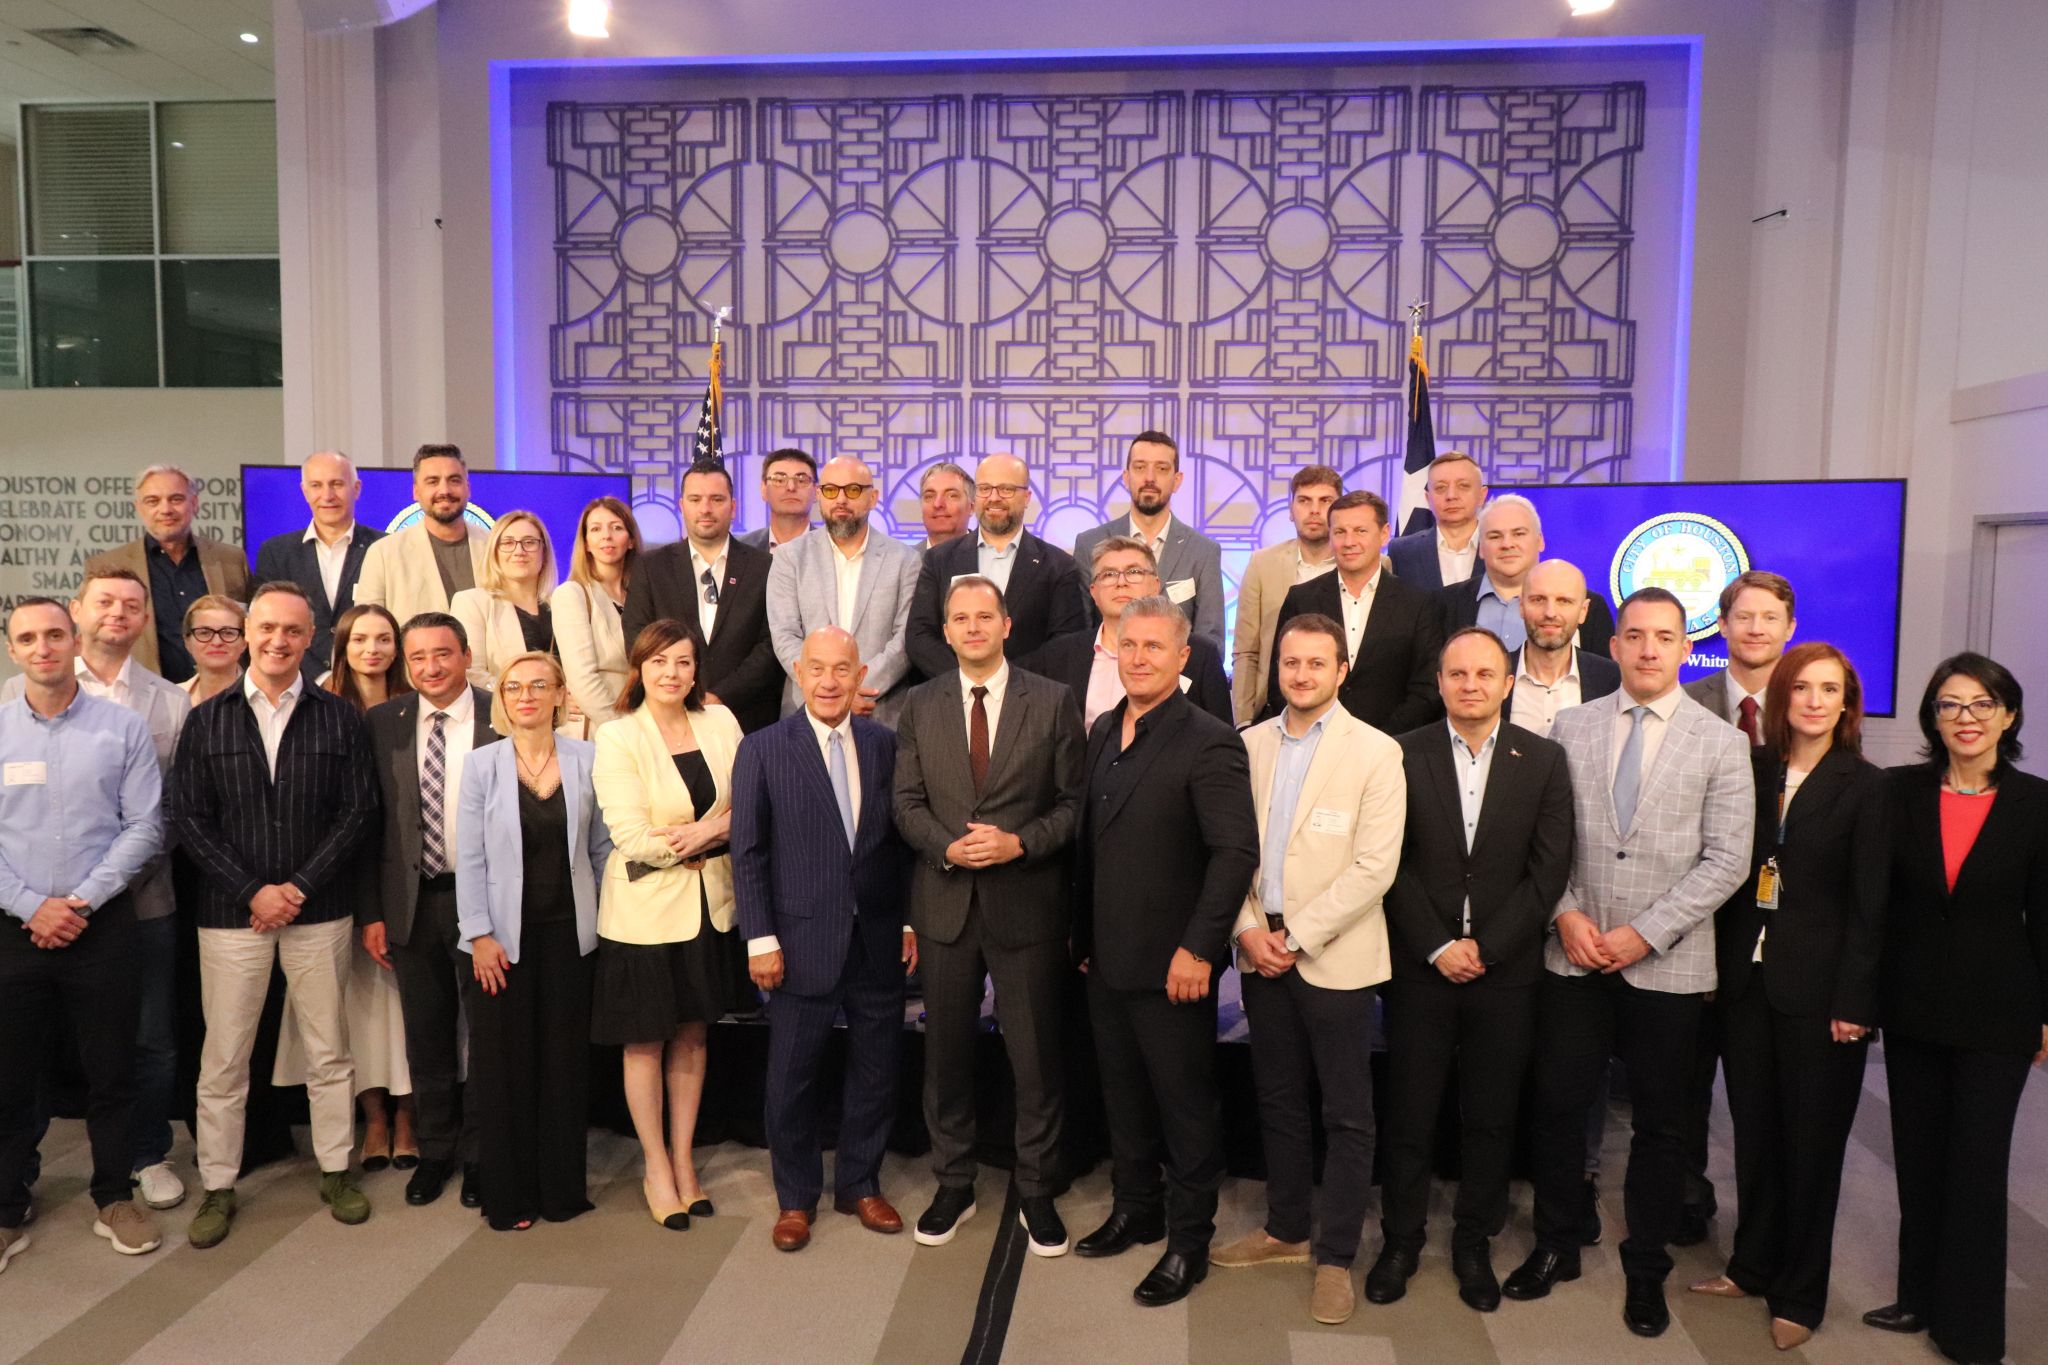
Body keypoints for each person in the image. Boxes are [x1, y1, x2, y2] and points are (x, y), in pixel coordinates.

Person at [1502, 587, 1752, 1339]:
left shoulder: (1721, 742)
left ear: (1685, 648)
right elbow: (1545, 838)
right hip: (1574, 953)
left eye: (1664, 637)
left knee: (1662, 1127)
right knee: (1557, 1107)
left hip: (1666, 966)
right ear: (1612, 646)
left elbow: (1728, 860)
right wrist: (1565, 911)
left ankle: (1646, 1265)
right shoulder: (1570, 726)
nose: (1648, 649)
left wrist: (1646, 933)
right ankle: (1555, 1243)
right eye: (1635, 635)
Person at [1684, 643, 1884, 1352]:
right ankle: (1752, 1266)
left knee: (1812, 1147)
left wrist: (1857, 1002)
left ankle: (1800, 1294)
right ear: (1782, 696)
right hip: (1747, 983)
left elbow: (1871, 906)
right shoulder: (1751, 767)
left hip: (1823, 994)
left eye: (1830, 689)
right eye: (1802, 687)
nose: (1814, 701)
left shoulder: (1866, 786)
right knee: (1755, 1134)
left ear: (1846, 703)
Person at [169, 581, 380, 1250]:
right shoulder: (207, 719)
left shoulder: (339, 716)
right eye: (266, 628)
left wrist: (298, 887)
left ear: (310, 637)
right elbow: (188, 818)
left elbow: (358, 813)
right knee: (224, 1058)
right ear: (246, 635)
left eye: (292, 630)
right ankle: (218, 1182)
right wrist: (253, 891)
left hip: (320, 911)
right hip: (230, 915)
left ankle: (336, 1170)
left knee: (329, 1050)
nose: (278, 640)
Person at [1371, 627, 1574, 1313]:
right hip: (1420, 967)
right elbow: (1388, 860)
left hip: (1504, 972)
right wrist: (1437, 944)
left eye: (1485, 673)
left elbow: (1548, 871)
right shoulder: (1402, 753)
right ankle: (1400, 1241)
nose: (1471, 685)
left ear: (1508, 683)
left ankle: (1472, 1243)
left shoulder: (1543, 760)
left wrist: (1486, 947)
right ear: (1439, 682)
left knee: (1490, 1117)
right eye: (1457, 673)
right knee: (1409, 1113)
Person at [1213, 613, 1405, 1327]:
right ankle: (1287, 1229)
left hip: (1334, 954)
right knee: (1279, 1099)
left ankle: (1336, 1258)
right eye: (1290, 662)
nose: (1301, 675)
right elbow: (1227, 848)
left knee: (1347, 1113)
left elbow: (1374, 867)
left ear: (1341, 671)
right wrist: (1247, 929)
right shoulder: (1247, 744)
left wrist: (1294, 936)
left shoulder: (1377, 751)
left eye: (1316, 663)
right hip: (1259, 948)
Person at [1073, 597, 1259, 1307]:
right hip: (1105, 957)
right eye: (1129, 644)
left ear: (1184, 658)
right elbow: (1093, 844)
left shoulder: (1209, 740)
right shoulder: (1102, 730)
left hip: (1174, 966)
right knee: (1122, 1097)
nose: (1139, 657)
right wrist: (1082, 937)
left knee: (1184, 1110)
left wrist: (1198, 950)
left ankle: (1188, 1242)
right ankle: (1136, 1208)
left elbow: (1233, 852)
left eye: (1155, 646)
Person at [1861, 653, 2047, 1365]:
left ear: (2008, 715)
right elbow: (1877, 902)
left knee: (1975, 1167)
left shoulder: (2037, 804)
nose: (1965, 718)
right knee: (1919, 1158)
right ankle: (1917, 1295)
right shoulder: (1899, 792)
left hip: (1999, 1016)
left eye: (1981, 704)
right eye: (1950, 705)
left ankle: (1970, 1329)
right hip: (1914, 1008)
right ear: (1933, 719)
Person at [893, 577, 1087, 1255]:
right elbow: (905, 802)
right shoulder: (919, 703)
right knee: (945, 1057)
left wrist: (1019, 843)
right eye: (960, 618)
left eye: (985, 615)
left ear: (1007, 625)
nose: (972, 627)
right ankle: (954, 1182)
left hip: (1026, 903)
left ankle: (1036, 1188)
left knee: (1035, 1059)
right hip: (945, 904)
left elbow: (1073, 803)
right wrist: (947, 847)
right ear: (945, 632)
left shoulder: (1053, 700)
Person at [1, 571, 193, 1212]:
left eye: (53, 636)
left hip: (124, 911)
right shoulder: (5, 716)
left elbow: (155, 820)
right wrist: (35, 906)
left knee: (131, 1053)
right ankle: (11, 1188)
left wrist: (83, 899)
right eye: (29, 638)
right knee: (18, 1060)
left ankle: (131, 1174)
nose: (44, 647)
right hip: (19, 918)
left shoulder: (146, 713)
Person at [732, 627, 916, 1252]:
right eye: (818, 669)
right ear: (798, 673)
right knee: (791, 1077)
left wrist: (908, 922)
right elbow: (748, 852)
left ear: (861, 675)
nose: (830, 681)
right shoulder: (763, 748)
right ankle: (795, 1197)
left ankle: (860, 1183)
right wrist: (760, 938)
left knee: (876, 1070)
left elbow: (899, 844)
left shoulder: (886, 744)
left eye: (843, 669)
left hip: (878, 938)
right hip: (799, 941)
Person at [591, 617, 753, 1229]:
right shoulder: (617, 736)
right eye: (659, 661)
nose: (671, 672)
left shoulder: (722, 722)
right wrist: (714, 832)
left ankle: (684, 1161)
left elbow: (752, 802)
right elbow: (632, 838)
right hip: (643, 915)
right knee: (645, 1041)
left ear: (696, 670)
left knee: (692, 1036)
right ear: (639, 668)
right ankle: (655, 1167)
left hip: (710, 907)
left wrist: (710, 829)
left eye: (683, 661)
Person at [455, 652, 613, 1231]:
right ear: (502, 699)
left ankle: (561, 1192)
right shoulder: (482, 765)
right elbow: (469, 856)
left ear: (560, 695)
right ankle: (511, 1197)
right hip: (501, 943)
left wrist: (611, 924)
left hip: (571, 938)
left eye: (538, 685)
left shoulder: (588, 759)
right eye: (514, 687)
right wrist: (478, 933)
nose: (525, 696)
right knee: (506, 1070)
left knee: (565, 1067)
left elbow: (600, 850)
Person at [275, 603, 418, 1175]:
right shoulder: (320, 705)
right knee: (354, 1012)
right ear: (341, 645)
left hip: (403, 873)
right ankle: (374, 1118)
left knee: (405, 1010)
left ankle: (408, 1117)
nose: (372, 649)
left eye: (384, 638)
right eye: (360, 639)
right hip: (337, 875)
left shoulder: (416, 702)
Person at [363, 611, 497, 1208]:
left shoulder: (500, 712)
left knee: (487, 1035)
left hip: (485, 906)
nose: (430, 667)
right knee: (428, 1036)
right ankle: (437, 1151)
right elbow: (369, 824)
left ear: (466, 655)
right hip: (411, 904)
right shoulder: (382, 722)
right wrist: (372, 912)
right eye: (417, 657)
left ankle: (483, 1154)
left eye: (442, 653)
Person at [1263, 491, 1443, 732]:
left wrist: (1379, 742)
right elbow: (1280, 679)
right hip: (1312, 739)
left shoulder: (1418, 602)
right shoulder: (1301, 599)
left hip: (1394, 743)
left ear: (1384, 534)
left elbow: (1427, 688)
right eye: (1340, 532)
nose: (1349, 542)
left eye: (1360, 531)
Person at [624, 460, 781, 733]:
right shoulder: (651, 567)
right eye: (695, 499)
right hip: (669, 717)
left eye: (716, 499)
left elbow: (770, 645)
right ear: (681, 505)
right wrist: (682, 691)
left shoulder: (764, 567)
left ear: (733, 507)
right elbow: (638, 638)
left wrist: (721, 696)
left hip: (748, 721)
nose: (705, 509)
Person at [766, 455, 921, 723]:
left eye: (853, 490)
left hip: (878, 709)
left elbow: (906, 639)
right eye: (830, 490)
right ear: (819, 496)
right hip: (806, 710)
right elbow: (784, 636)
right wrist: (828, 688)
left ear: (873, 498)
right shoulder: (789, 557)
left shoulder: (905, 559)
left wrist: (851, 689)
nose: (840, 500)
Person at [907, 454, 1088, 679]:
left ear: (1026, 497)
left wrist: (1005, 682)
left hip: (1029, 693)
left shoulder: (1058, 566)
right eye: (985, 489)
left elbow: (1065, 643)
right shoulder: (939, 559)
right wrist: (966, 680)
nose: (994, 498)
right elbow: (919, 636)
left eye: (1006, 489)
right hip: (950, 692)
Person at [1026, 537, 1231, 730]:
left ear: (1155, 586)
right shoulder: (1057, 656)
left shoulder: (1199, 655)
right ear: (1093, 592)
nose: (1121, 582)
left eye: (1134, 572)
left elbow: (1221, 737)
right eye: (1109, 574)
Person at [82, 464, 250, 682]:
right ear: (138, 508)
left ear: (194, 503)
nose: (166, 509)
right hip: (142, 692)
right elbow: (93, 638)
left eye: (176, 499)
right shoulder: (107, 566)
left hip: (223, 691)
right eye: (153, 501)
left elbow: (249, 627)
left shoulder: (231, 560)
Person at [1072, 432, 1226, 643]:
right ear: (1126, 478)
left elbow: (1211, 640)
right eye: (1140, 467)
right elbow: (1078, 637)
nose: (1150, 478)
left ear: (1177, 480)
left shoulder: (1203, 551)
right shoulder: (1090, 544)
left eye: (1161, 469)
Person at [252, 451, 383, 676]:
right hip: (298, 681)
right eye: (316, 485)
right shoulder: (276, 552)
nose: (327, 495)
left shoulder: (383, 548)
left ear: (357, 489)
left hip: (368, 679)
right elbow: (266, 624)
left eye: (337, 484)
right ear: (305, 491)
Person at [1231, 465, 1341, 726]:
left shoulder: (1371, 565)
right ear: (1291, 510)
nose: (1314, 510)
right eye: (1304, 501)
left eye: (1325, 501)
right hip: (1272, 708)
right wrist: (1243, 720)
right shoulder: (1262, 564)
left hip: (1343, 708)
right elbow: (1246, 650)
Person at [1441, 498, 1615, 657]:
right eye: (1495, 536)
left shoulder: (1590, 606)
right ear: (1480, 548)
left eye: (1519, 534)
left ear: (1540, 541)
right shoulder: (1444, 604)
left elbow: (1603, 674)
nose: (1507, 544)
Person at [352, 444, 490, 627]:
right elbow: (367, 629)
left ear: (468, 488)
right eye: (433, 481)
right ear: (416, 491)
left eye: (454, 480)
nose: (444, 490)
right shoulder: (383, 554)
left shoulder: (494, 547)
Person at [552, 496, 640, 734]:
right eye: (596, 529)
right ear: (586, 543)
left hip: (642, 720)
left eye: (616, 528)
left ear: (631, 540)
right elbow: (582, 678)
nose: (606, 536)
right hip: (597, 727)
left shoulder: (643, 595)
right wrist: (620, 729)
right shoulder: (572, 594)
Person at [1504, 560, 1620, 737]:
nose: (1550, 613)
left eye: (1564, 601)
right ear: (1521, 606)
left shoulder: (1612, 680)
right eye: (1538, 600)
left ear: (1583, 611)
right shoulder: (1494, 676)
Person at [452, 511, 560, 692]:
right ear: (494, 553)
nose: (519, 551)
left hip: (567, 708)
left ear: (544, 552)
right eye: (508, 543)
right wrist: (526, 694)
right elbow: (471, 674)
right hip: (503, 707)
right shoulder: (472, 603)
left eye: (529, 542)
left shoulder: (562, 604)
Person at [1685, 570, 1796, 743]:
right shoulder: (1685, 702)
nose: (1756, 630)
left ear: (1789, 628)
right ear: (1723, 625)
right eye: (1744, 617)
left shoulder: (1811, 704)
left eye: (1770, 618)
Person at [1386, 451, 1487, 591]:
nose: (1451, 496)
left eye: (1463, 486)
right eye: (1441, 488)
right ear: (1428, 499)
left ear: (1482, 495)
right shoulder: (1402, 552)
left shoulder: (1503, 547)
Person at [737, 448, 818, 553]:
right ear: (763, 489)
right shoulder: (740, 549)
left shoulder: (831, 548)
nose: (791, 487)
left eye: (801, 480)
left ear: (816, 491)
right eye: (779, 480)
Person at [177, 595, 248, 705]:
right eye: (204, 633)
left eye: (228, 633)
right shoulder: (170, 698)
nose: (217, 642)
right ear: (187, 642)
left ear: (244, 642)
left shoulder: (264, 698)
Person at [916, 462, 974, 551]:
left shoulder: (990, 557)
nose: (938, 504)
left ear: (972, 507)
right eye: (929, 496)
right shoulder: (905, 558)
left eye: (951, 495)